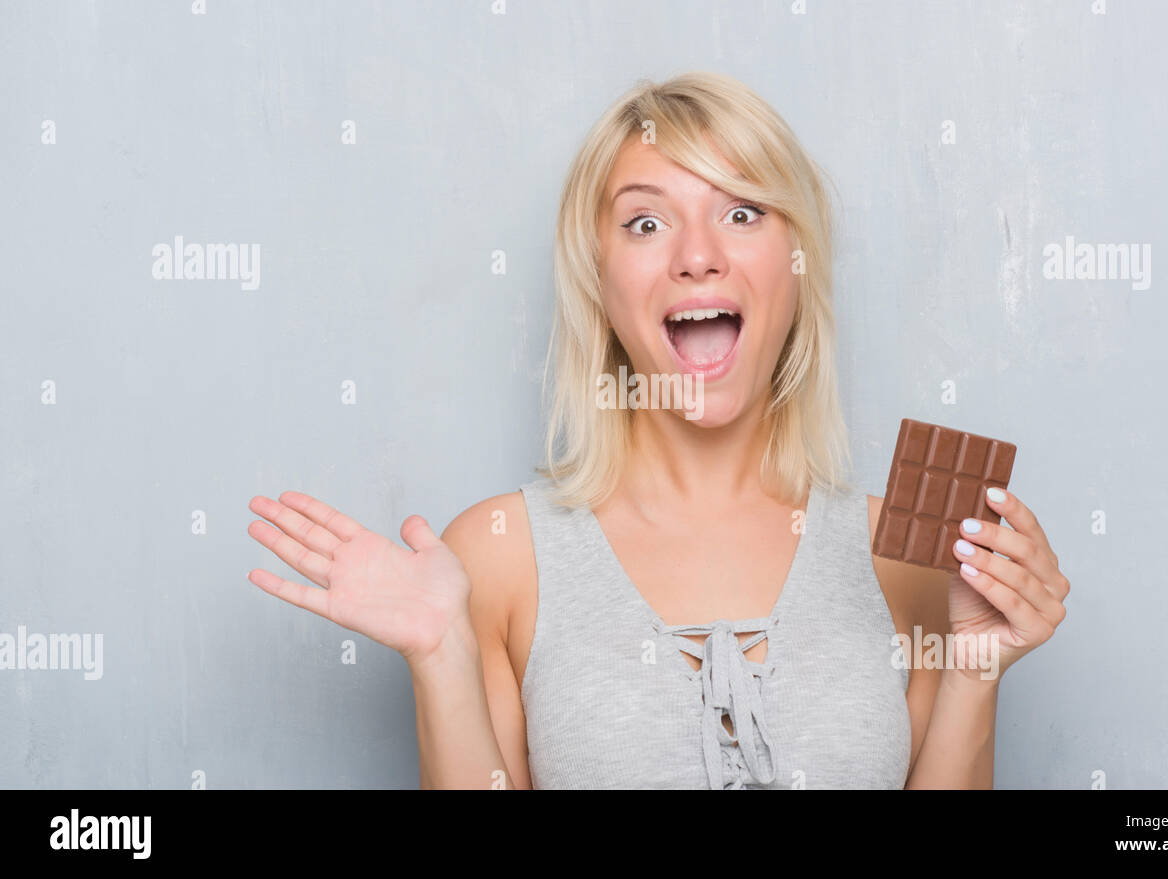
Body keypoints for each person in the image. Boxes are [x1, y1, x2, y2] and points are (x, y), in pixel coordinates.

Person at [246, 71, 1071, 789]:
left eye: (743, 212)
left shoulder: (912, 556)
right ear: (599, 283)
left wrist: (972, 668)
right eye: (646, 222)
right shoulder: (497, 555)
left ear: (796, 265)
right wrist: (441, 656)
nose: (698, 256)